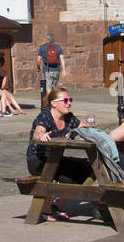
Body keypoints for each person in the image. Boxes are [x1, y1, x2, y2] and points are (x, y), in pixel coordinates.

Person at [27, 86, 84, 220]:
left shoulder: (69, 117)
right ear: (54, 103)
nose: (69, 103)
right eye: (65, 100)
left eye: (70, 99)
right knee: (57, 175)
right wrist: (41, 135)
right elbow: (38, 131)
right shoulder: (45, 116)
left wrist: (90, 129)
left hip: (56, 159)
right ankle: (45, 209)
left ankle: (59, 206)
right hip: (38, 160)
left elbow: (83, 128)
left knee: (83, 171)